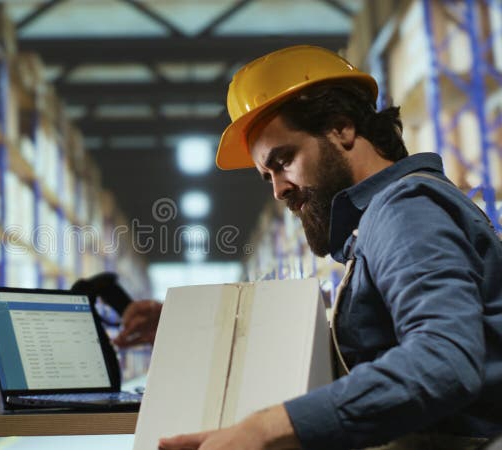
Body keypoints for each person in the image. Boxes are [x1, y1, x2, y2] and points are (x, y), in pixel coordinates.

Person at [114, 45, 502, 450]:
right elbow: (379, 354)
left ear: (341, 129)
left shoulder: (404, 211)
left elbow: (444, 363)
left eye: (283, 161)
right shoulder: (384, 218)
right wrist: (194, 330)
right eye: (267, 177)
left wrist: (264, 429)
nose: (279, 190)